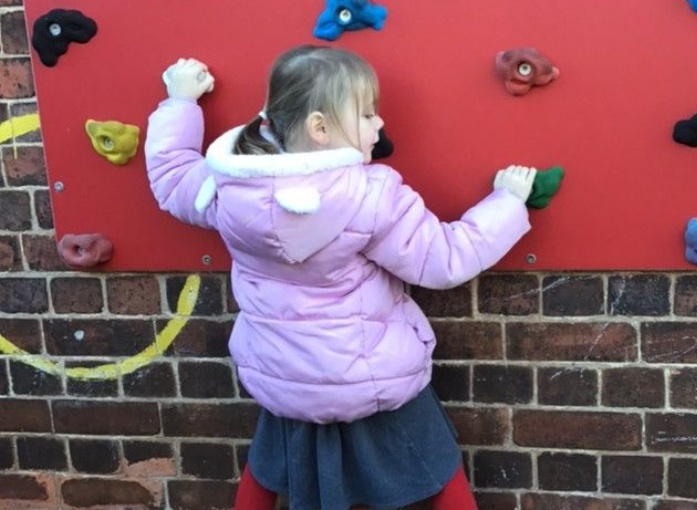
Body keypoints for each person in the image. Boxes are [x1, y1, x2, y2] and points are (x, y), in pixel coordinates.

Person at [145, 45, 537, 510]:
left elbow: (171, 176)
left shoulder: (228, 188)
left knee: (269, 467)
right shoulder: (370, 197)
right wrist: (507, 203)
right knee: (436, 463)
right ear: (320, 128)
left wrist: (180, 102)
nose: (379, 127)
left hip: (283, 380)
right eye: (368, 114)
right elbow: (444, 259)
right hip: (373, 379)